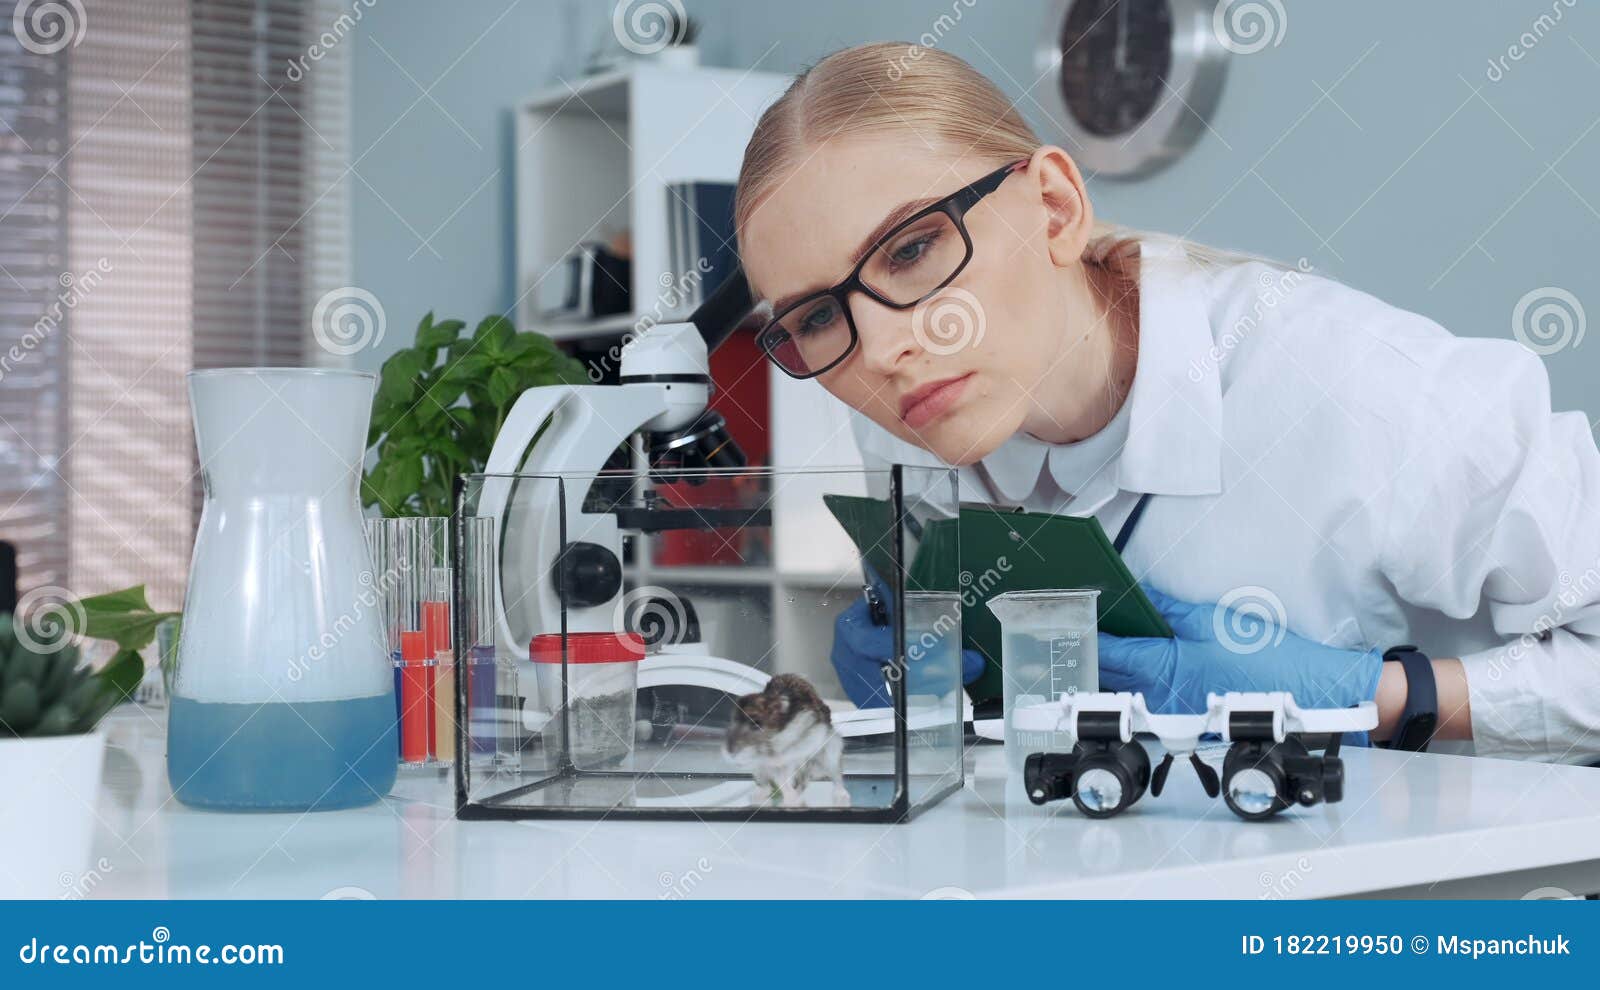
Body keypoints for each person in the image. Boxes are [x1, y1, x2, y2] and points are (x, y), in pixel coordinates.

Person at [731, 42, 1600, 764]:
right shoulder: (921, 411)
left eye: (913, 249)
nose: (881, 351)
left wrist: (1379, 697)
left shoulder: (1349, 382)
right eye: (814, 316)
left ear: (1056, 208)